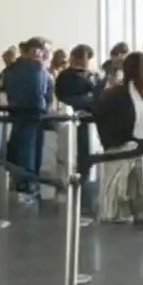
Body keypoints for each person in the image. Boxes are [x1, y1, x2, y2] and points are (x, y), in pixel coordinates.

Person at [93, 53, 143, 223]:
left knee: (117, 181)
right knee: (137, 180)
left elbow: (98, 110)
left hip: (119, 140)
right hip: (140, 139)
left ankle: (115, 213)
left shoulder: (115, 92)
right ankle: (142, 211)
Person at [4, 37, 53, 203]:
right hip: (33, 113)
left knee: (22, 147)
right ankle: (28, 185)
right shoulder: (36, 68)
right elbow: (41, 94)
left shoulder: (11, 69)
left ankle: (23, 183)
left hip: (18, 113)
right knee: (31, 151)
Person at [55, 45, 101, 216]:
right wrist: (87, 100)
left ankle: (86, 178)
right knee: (76, 153)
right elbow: (63, 96)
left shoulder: (92, 76)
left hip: (89, 120)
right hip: (74, 121)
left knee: (88, 152)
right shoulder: (66, 76)